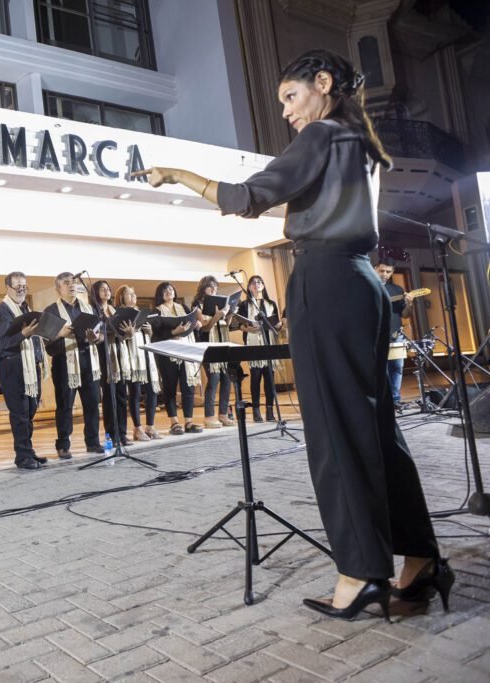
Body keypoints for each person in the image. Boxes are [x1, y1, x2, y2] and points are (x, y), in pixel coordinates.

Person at [145, 48, 450, 620]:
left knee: (336, 432)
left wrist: (179, 175)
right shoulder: (359, 143)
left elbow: (245, 197)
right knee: (378, 428)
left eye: (291, 97)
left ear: (323, 83)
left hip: (326, 280)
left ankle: (360, 573)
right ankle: (419, 561)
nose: (286, 111)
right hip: (361, 283)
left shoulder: (321, 137)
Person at [44, 272, 104, 458]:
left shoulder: (89, 308)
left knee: (92, 403)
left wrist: (96, 338)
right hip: (64, 362)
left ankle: (93, 442)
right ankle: (63, 444)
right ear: (58, 288)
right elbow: (47, 343)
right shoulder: (51, 311)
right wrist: (59, 334)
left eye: (74, 282)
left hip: (88, 359)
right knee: (65, 405)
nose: (71, 285)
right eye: (66, 283)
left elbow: (100, 335)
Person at [0, 271, 46, 470]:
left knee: (30, 410)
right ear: (8, 288)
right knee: (19, 413)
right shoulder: (2, 311)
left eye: (24, 286)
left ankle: (27, 451)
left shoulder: (25, 308)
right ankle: (22, 456)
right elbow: (1, 343)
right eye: (18, 287)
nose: (22, 290)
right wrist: (23, 333)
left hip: (30, 366)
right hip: (12, 367)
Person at [150, 282, 202, 435]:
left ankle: (189, 421)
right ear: (160, 294)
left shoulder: (184, 308)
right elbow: (155, 335)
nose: (168, 291)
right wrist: (173, 332)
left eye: (171, 289)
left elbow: (191, 324)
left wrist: (196, 324)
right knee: (170, 387)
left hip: (186, 351)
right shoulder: (156, 311)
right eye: (164, 290)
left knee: (188, 387)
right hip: (167, 353)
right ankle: (174, 422)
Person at [115, 285, 162, 441]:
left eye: (134, 293)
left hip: (146, 354)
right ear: (121, 297)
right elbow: (119, 337)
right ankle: (137, 428)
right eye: (129, 294)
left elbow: (147, 335)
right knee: (135, 392)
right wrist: (128, 333)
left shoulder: (141, 313)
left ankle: (150, 426)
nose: (133, 296)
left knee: (152, 390)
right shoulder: (119, 314)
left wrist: (149, 331)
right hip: (132, 358)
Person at [233, 276, 283, 423]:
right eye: (253, 283)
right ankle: (256, 410)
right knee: (255, 378)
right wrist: (247, 328)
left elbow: (276, 322)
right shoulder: (244, 305)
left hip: (269, 342)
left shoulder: (271, 303)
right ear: (249, 287)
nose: (257, 284)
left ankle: (270, 410)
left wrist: (278, 326)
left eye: (260, 282)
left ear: (263, 286)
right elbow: (238, 325)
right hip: (253, 342)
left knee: (270, 379)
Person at [92, 280, 133, 446]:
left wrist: (129, 333)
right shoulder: (95, 311)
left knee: (122, 398)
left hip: (119, 356)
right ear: (95, 293)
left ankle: (123, 434)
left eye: (108, 289)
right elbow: (95, 334)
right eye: (102, 289)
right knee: (109, 399)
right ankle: (112, 436)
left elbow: (122, 335)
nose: (106, 291)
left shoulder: (115, 310)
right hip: (104, 356)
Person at [192, 277, 235, 429]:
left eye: (215, 286)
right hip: (208, 347)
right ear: (203, 288)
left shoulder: (220, 303)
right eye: (210, 286)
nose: (213, 289)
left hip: (222, 344)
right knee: (214, 379)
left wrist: (228, 315)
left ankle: (223, 414)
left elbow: (225, 325)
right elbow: (204, 328)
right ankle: (209, 416)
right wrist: (216, 316)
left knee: (227, 378)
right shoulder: (197, 304)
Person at [374, 258, 413, 407]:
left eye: (388, 272)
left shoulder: (397, 290)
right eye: (381, 270)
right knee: (380, 369)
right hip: (375, 336)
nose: (384, 274)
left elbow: (405, 315)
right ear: (375, 268)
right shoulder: (366, 288)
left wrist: (409, 304)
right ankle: (383, 401)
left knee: (397, 368)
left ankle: (395, 399)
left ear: (392, 272)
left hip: (395, 334)